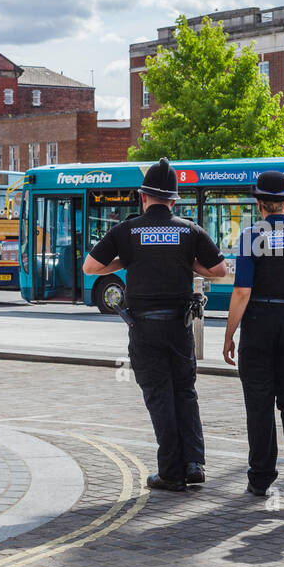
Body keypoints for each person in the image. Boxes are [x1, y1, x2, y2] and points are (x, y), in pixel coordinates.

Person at [83, 158, 228, 492]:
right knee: (185, 392)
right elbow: (219, 271)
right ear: (174, 200)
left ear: (143, 196)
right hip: (180, 327)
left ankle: (170, 472)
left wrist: (127, 260)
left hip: (144, 328)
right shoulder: (188, 230)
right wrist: (189, 265)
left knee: (159, 396)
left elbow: (91, 267)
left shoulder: (126, 230)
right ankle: (194, 464)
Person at [222, 170, 284, 502]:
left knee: (259, 401)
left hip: (260, 323)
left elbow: (241, 292)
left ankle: (261, 477)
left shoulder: (252, 235)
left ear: (258, 202)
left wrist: (229, 334)